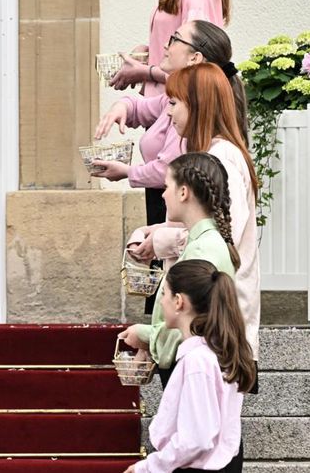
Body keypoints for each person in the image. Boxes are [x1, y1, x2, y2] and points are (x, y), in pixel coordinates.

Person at [93, 20, 238, 313]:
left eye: (174, 39)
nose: (165, 44)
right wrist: (121, 106)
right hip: (175, 232)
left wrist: (128, 174)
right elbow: (143, 108)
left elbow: (214, 240)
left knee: (173, 304)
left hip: (209, 312)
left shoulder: (218, 153)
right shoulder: (182, 99)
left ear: (195, 57)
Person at [128, 64, 261, 370]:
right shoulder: (213, 154)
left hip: (213, 333)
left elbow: (223, 234)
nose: (168, 113)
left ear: (197, 105)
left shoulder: (223, 158)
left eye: (173, 104)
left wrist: (161, 240)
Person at [125, 259, 254, 473]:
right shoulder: (217, 353)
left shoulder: (198, 361)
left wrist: (149, 467)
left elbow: (196, 438)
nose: (161, 301)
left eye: (164, 294)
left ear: (178, 301)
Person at [118, 152, 239, 376]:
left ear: (183, 192)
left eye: (166, 187)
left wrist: (146, 336)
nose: (163, 195)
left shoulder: (203, 249)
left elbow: (191, 320)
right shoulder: (202, 243)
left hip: (190, 362)